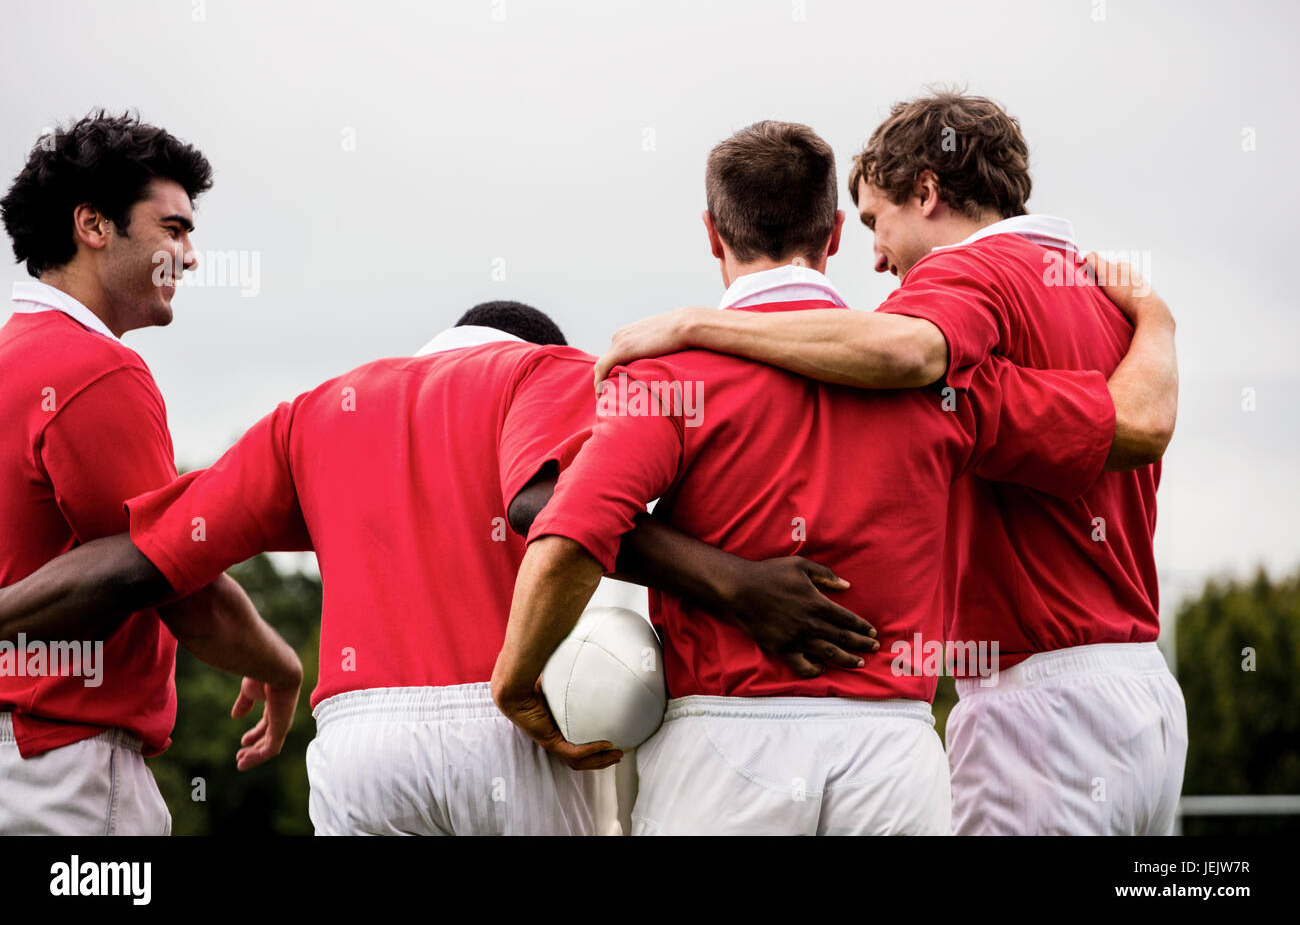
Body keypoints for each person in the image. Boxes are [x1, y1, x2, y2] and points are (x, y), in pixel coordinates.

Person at [493, 119, 1178, 835]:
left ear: (711, 233)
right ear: (834, 237)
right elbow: (1121, 427)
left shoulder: (669, 372)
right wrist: (1156, 321)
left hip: (726, 748)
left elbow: (572, 529)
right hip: (897, 757)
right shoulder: (951, 387)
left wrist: (516, 679)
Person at [0, 297, 879, 835]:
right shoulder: (543, 368)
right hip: (513, 725)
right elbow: (557, 511)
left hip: (357, 743)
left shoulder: (308, 414)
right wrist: (739, 583)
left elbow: (147, 564)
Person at [0, 112, 301, 835]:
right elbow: (168, 577)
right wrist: (282, 663)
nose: (190, 256)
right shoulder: (94, 367)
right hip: (61, 761)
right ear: (93, 226)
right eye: (173, 228)